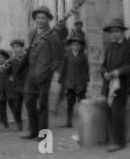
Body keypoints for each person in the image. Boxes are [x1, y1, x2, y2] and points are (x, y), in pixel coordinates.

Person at [101, 18, 130, 151]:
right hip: (109, 85)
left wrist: (119, 71)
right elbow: (103, 66)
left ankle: (119, 142)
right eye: (112, 32)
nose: (114, 34)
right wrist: (105, 73)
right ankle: (115, 139)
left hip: (123, 85)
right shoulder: (109, 47)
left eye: (117, 31)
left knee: (117, 113)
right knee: (108, 111)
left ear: (122, 32)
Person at [22, 7, 64, 139]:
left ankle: (42, 133)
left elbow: (58, 58)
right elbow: (29, 53)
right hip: (32, 75)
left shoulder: (52, 35)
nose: (40, 20)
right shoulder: (32, 34)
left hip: (44, 75)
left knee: (42, 105)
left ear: (48, 20)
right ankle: (33, 130)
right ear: (35, 19)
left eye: (43, 18)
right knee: (29, 102)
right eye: (38, 18)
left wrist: (50, 72)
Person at [58, 34, 89, 128]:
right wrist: (62, 80)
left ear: (80, 46)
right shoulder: (67, 56)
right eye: (74, 44)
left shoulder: (83, 57)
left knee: (81, 102)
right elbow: (63, 69)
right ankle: (68, 121)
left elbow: (86, 70)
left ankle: (83, 121)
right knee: (69, 102)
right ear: (71, 46)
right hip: (70, 82)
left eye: (77, 45)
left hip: (80, 83)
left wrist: (85, 83)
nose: (76, 47)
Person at [6, 39, 28, 130]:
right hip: (16, 86)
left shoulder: (27, 59)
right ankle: (19, 124)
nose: (16, 49)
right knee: (16, 107)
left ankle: (33, 125)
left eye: (18, 47)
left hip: (27, 85)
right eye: (14, 47)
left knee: (29, 106)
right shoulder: (11, 61)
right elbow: (7, 72)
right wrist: (10, 77)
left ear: (22, 48)